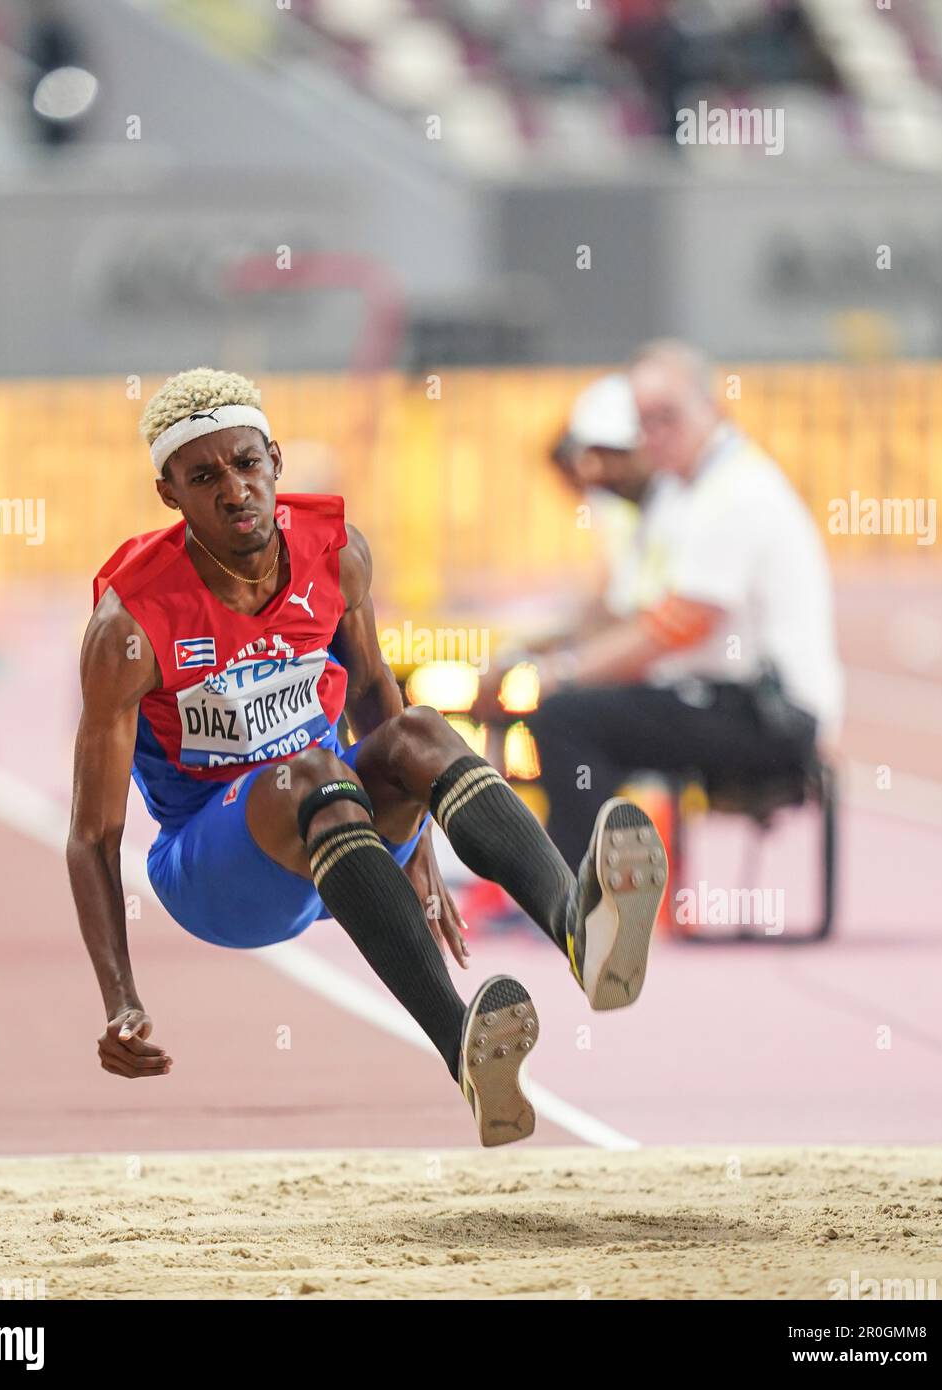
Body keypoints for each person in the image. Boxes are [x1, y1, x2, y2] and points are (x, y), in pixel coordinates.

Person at [66, 368, 670, 1147]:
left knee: (418, 727)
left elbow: (374, 693)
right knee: (314, 771)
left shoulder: (337, 554)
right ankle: (457, 1037)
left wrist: (417, 846)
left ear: (275, 460)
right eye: (204, 477)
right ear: (169, 495)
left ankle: (577, 927)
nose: (235, 491)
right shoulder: (130, 626)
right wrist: (119, 997)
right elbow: (91, 838)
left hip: (338, 831)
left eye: (247, 464)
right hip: (216, 874)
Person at [480, 342, 843, 868]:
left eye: (667, 418)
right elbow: (629, 612)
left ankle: (588, 892)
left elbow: (679, 626)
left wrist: (563, 672)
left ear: (713, 407)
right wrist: (531, 654)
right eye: (644, 423)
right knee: (570, 709)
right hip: (719, 696)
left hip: (772, 714)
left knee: (565, 718)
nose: (655, 436)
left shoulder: (737, 493)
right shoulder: (685, 491)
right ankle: (586, 880)